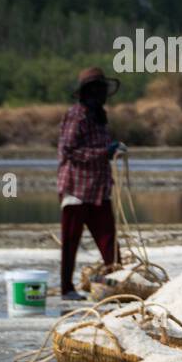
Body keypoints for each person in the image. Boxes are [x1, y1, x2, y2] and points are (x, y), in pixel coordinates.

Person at [57, 67, 125, 301]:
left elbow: (101, 148)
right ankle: (66, 289)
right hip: (77, 189)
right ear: (87, 92)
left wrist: (113, 150)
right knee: (70, 242)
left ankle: (119, 286)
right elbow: (69, 149)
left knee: (109, 242)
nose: (101, 93)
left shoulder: (99, 116)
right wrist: (103, 152)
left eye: (102, 89)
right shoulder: (77, 115)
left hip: (98, 190)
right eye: (96, 89)